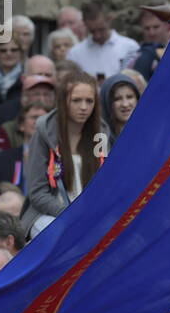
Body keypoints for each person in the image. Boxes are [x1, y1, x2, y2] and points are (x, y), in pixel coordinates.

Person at [21, 72, 107, 238]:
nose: (83, 107)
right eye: (76, 100)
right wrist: (70, 215)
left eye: (89, 101)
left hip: (88, 215)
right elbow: (38, 193)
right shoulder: (43, 131)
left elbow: (105, 184)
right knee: (61, 235)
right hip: (49, 214)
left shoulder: (101, 134)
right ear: (63, 101)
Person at [66, 2, 139, 79]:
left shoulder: (130, 47)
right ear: (85, 25)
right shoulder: (75, 54)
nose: (98, 35)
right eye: (92, 31)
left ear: (109, 19)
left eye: (101, 29)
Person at [100, 72, 141, 141]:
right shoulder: (99, 140)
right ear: (107, 104)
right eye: (117, 99)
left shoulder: (151, 133)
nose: (125, 104)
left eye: (129, 97)